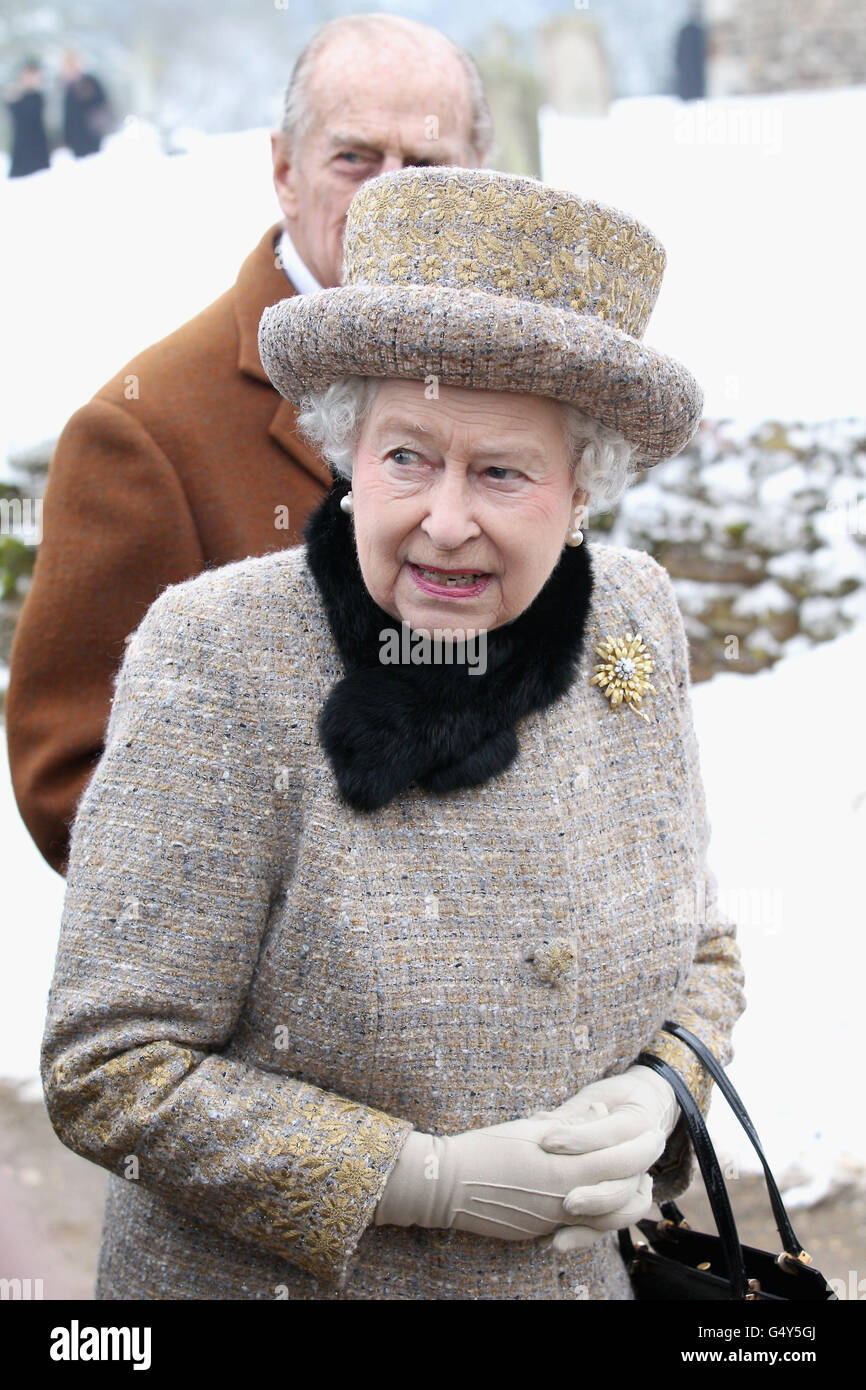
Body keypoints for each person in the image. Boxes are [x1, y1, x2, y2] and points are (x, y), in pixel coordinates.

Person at [41, 165, 745, 1300]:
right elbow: (107, 1069)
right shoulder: (218, 652)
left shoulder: (634, 615)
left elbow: (700, 946)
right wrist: (417, 1178)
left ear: (580, 493)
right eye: (406, 456)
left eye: (502, 472)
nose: (445, 519)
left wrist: (661, 1088)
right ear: (345, 451)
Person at [6, 13, 493, 877]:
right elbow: (69, 778)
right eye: (354, 159)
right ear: (285, 172)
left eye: (424, 165)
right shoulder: (141, 431)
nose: (387, 193)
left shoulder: (514, 392)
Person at [5, 59, 50, 178]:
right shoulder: (17, 97)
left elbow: (30, 113)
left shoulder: (38, 97)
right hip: (21, 152)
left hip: (38, 151)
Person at [61, 51, 110, 157]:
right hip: (76, 140)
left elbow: (101, 103)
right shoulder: (68, 88)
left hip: (92, 135)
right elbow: (68, 116)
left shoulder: (91, 81)